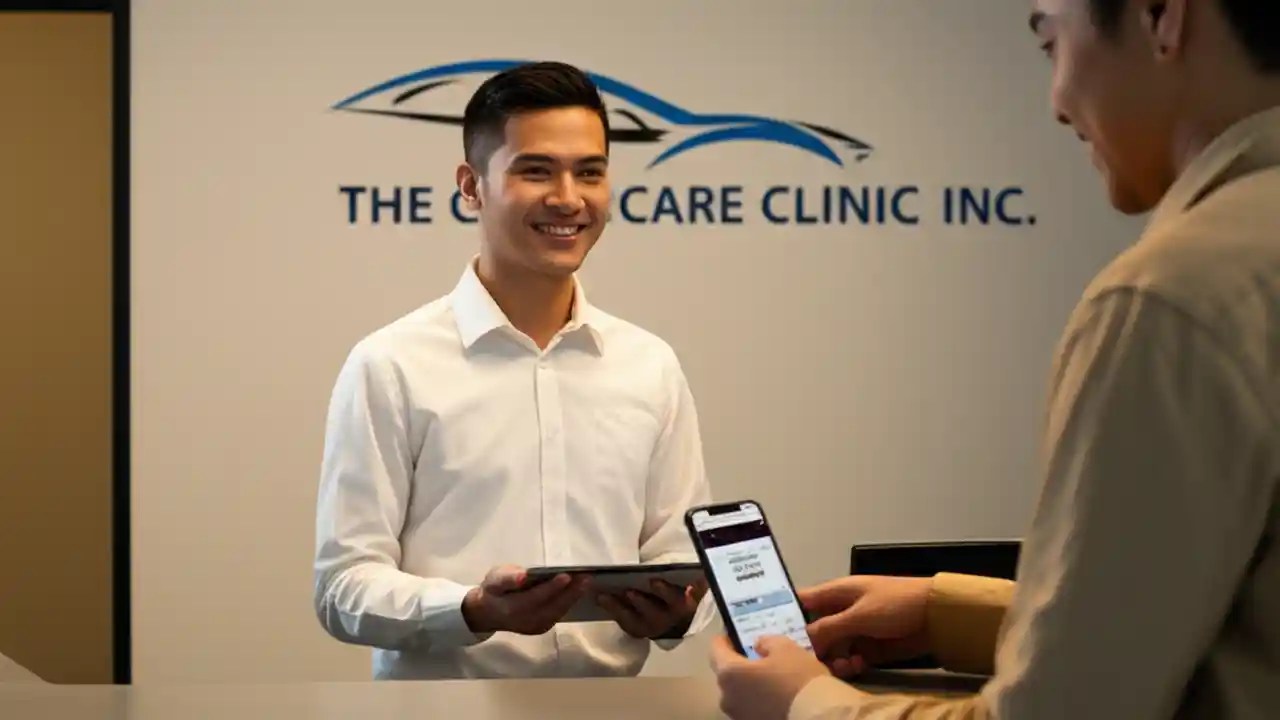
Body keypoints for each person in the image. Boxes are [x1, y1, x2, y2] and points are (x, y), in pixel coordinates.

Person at [710, 0, 1280, 717]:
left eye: (1051, 44)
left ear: (1162, 16)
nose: (1056, 104)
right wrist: (953, 614)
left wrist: (806, 702)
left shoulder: (1172, 296)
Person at [312, 61, 713, 680]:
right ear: (471, 186)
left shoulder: (649, 364)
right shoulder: (390, 364)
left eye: (590, 172)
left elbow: (683, 561)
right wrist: (470, 609)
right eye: (536, 171)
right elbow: (343, 588)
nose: (569, 198)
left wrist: (673, 613)